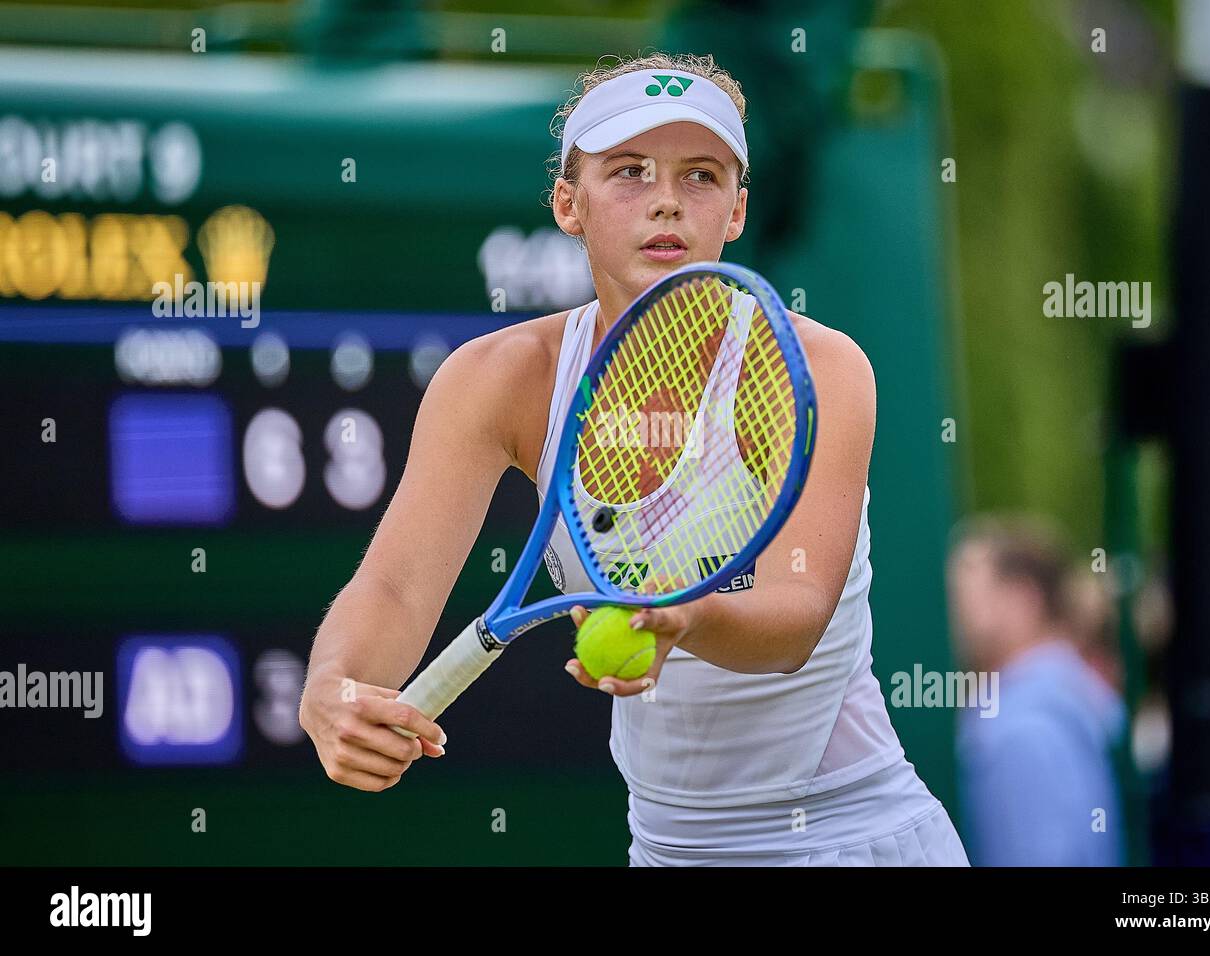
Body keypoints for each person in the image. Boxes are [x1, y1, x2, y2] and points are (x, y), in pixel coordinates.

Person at [299, 51, 967, 867]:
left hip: (848, 839)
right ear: (567, 203)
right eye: (629, 172)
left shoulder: (817, 370)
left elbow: (796, 614)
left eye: (700, 176)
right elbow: (396, 586)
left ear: (736, 210)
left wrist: (683, 617)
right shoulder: (498, 380)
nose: (665, 201)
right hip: (664, 848)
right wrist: (336, 689)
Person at [948, 516, 1127, 865]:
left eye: (967, 589)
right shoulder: (1071, 699)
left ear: (1022, 597)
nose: (954, 609)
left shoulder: (1018, 728)